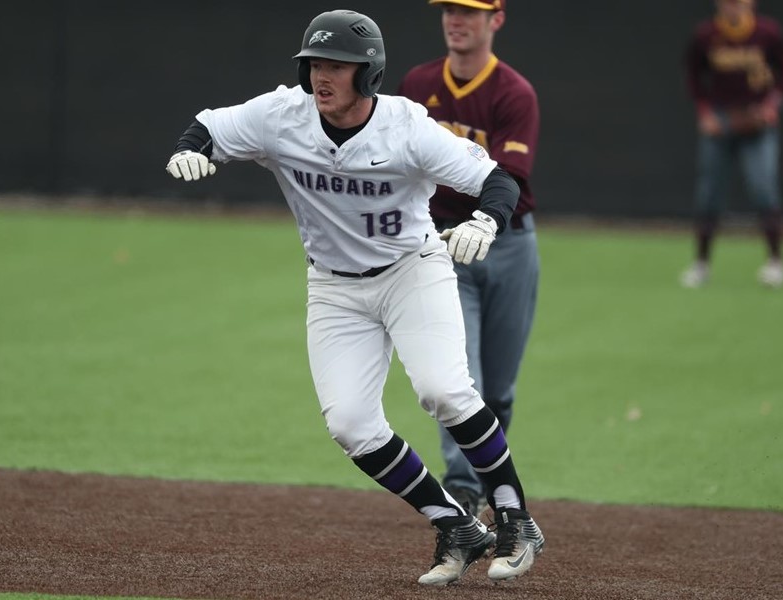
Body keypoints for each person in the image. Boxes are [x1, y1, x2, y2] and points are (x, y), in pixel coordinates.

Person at [165, 9, 543, 586]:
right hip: (334, 288)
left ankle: (516, 518)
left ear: (368, 73)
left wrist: (487, 222)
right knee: (350, 425)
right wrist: (193, 150)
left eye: (337, 66)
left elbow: (497, 179)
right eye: (314, 64)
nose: (322, 77)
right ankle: (455, 524)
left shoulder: (405, 125)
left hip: (411, 271)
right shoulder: (282, 116)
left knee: (443, 390)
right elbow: (210, 126)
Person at [398, 0, 541, 519]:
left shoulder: (513, 93)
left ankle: (488, 482)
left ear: (495, 20)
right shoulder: (417, 84)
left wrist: (485, 223)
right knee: (459, 378)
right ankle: (463, 488)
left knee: (498, 390)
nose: (457, 21)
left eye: (470, 12)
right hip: (441, 248)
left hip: (508, 247)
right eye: (450, 11)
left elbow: (510, 175)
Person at [681, 0, 783, 288]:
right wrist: (705, 112)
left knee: (763, 187)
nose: (733, 7)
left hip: (757, 122)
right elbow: (694, 77)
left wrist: (772, 105)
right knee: (709, 193)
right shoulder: (706, 35)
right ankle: (701, 264)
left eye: (738, 2)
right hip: (721, 122)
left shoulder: (767, 33)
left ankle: (775, 262)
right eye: (728, 2)